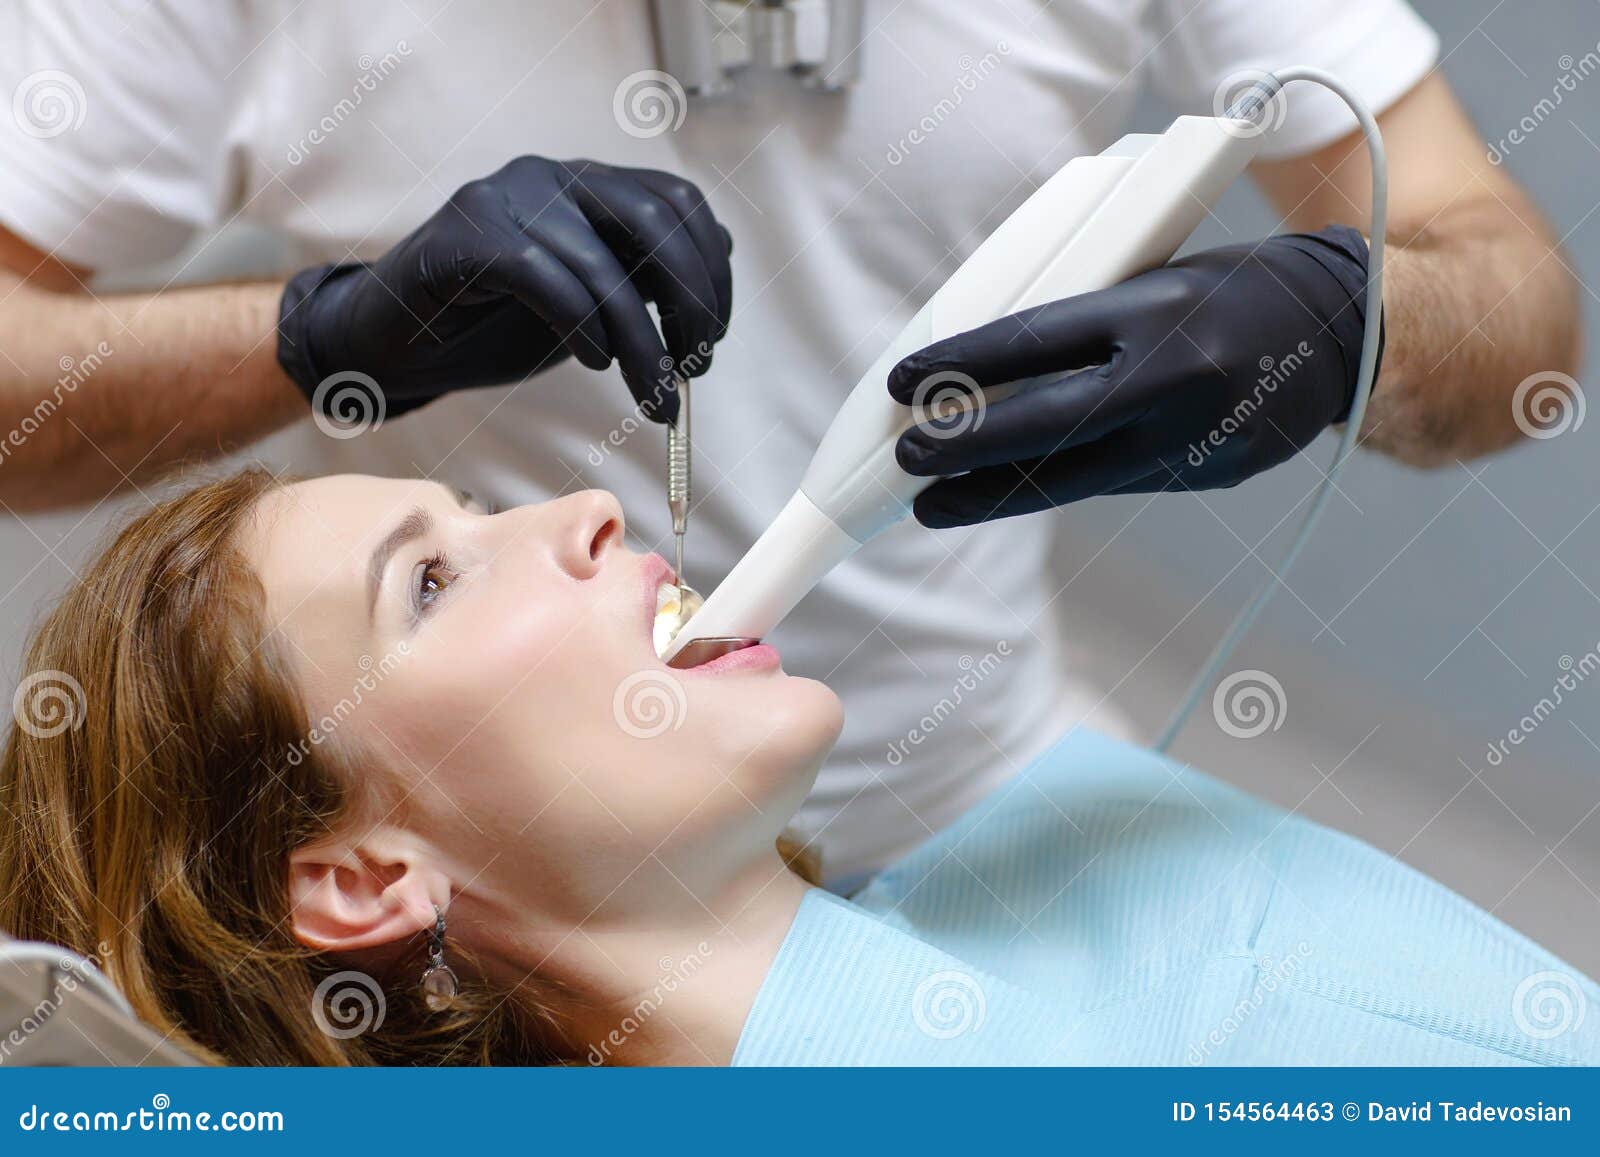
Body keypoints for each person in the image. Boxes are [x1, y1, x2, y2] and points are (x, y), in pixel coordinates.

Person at [0, 2, 1579, 889]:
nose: (608, 524)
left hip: (985, 790)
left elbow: (1521, 328)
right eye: (434, 574)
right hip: (532, 884)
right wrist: (327, 334)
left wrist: (1342, 321)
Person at [1, 468, 1594, 1066]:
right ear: (359, 878)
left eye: (478, 507)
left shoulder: (1068, 825)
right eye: (431, 580)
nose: (583, 509)